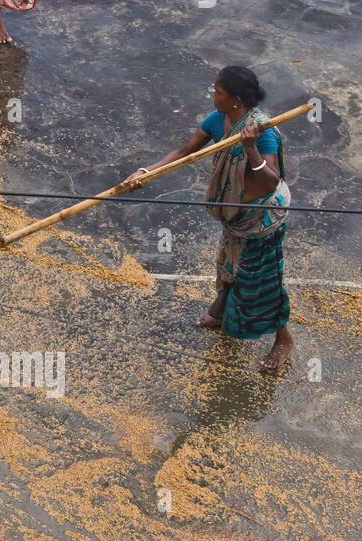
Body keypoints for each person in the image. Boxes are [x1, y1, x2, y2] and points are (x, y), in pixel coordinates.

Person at [126, 66, 295, 371]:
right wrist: (146, 173)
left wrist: (250, 148)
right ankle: (220, 314)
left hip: (261, 221)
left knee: (260, 282)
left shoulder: (263, 131)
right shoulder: (218, 119)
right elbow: (184, 151)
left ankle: (283, 340)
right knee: (229, 266)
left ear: (236, 99)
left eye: (217, 92)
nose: (212, 95)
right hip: (235, 216)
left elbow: (270, 181)